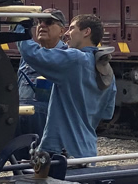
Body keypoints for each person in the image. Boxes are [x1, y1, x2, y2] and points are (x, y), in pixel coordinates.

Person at [16, 14, 115, 159]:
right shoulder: (107, 70)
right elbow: (107, 113)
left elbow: (32, 53)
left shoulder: (75, 59)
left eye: (72, 28)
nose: (67, 33)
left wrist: (18, 24)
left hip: (61, 152)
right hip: (87, 151)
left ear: (86, 32)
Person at [17, 8, 67, 141]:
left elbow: (28, 50)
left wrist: (19, 23)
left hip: (49, 126)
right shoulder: (27, 57)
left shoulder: (66, 55)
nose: (42, 26)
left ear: (62, 31)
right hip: (22, 120)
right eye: (39, 22)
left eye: (49, 22)